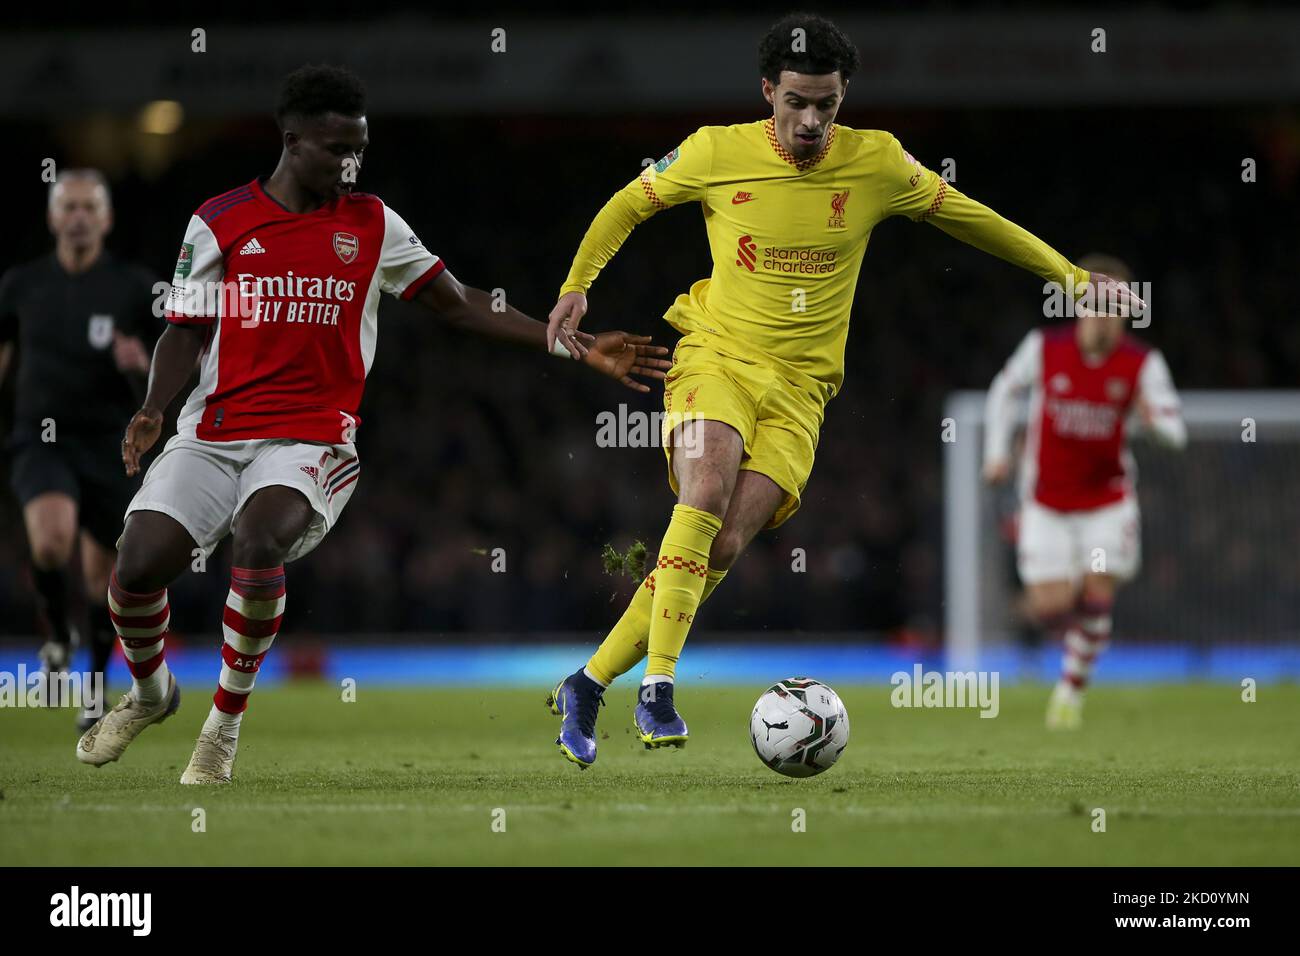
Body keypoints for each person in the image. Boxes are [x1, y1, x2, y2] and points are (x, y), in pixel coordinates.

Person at [543, 13, 1140, 767]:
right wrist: (577, 287)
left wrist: (1073, 279)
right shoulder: (712, 151)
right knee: (703, 490)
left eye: (827, 104)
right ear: (769, 92)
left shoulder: (878, 163)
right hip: (716, 356)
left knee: (721, 543)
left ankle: (588, 681)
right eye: (796, 101)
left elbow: (973, 220)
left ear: (842, 97)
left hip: (802, 390)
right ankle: (657, 687)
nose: (811, 120)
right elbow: (630, 202)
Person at [75, 64, 669, 784]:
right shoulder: (221, 220)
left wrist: (563, 340)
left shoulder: (372, 223)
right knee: (135, 566)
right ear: (292, 142)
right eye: (336, 149)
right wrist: (152, 409)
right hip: (213, 430)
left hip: (311, 440)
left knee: (259, 538)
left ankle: (221, 729)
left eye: (360, 148)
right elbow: (185, 330)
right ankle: (149, 694)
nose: (352, 164)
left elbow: (455, 301)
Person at [983, 253, 1185, 728]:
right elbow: (1003, 391)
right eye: (1097, 303)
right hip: (1046, 501)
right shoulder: (1043, 348)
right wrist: (997, 452)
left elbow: (1178, 434)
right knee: (1051, 603)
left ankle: (1069, 693)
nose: (1104, 315)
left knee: (1096, 588)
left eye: (1115, 306)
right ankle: (1082, 634)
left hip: (1106, 503)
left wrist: (1156, 425)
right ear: (1078, 305)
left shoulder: (1142, 364)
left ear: (1129, 310)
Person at [0, 169, 157, 729]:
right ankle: (57, 633)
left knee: (99, 579)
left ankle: (93, 689)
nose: (79, 217)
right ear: (51, 216)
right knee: (50, 543)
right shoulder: (21, 285)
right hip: (39, 440)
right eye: (69, 207)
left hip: (110, 446)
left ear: (107, 218)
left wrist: (142, 370)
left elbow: (171, 366)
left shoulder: (135, 289)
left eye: (90, 207)